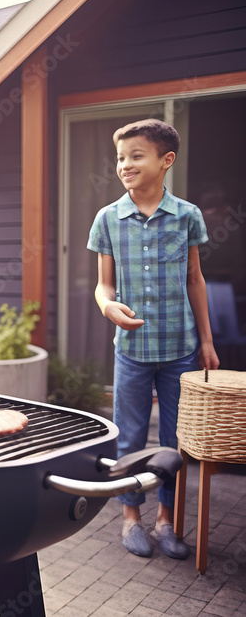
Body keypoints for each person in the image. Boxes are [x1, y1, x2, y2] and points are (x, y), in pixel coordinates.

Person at [87, 118, 220, 559]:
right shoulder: (108, 218)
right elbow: (103, 285)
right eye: (121, 157)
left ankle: (167, 520)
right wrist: (107, 306)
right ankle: (131, 519)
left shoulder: (187, 216)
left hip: (181, 351)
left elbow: (195, 280)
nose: (125, 165)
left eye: (136, 156)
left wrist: (206, 341)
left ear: (166, 161)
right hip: (131, 354)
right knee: (129, 437)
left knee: (174, 443)